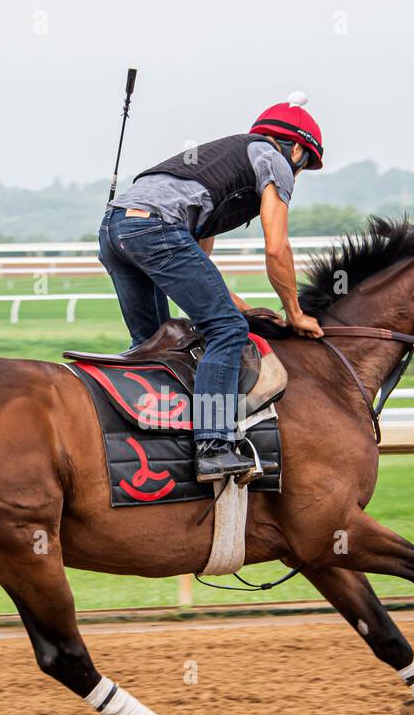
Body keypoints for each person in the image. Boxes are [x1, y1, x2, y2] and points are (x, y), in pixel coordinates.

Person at [98, 92, 326, 483]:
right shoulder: (274, 160)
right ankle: (214, 448)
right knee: (228, 332)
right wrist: (295, 313)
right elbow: (277, 247)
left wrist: (247, 308)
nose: (298, 178)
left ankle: (151, 444)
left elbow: (201, 270)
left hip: (114, 228)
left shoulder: (217, 170)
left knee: (157, 340)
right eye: (305, 167)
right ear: (298, 152)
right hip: (155, 228)